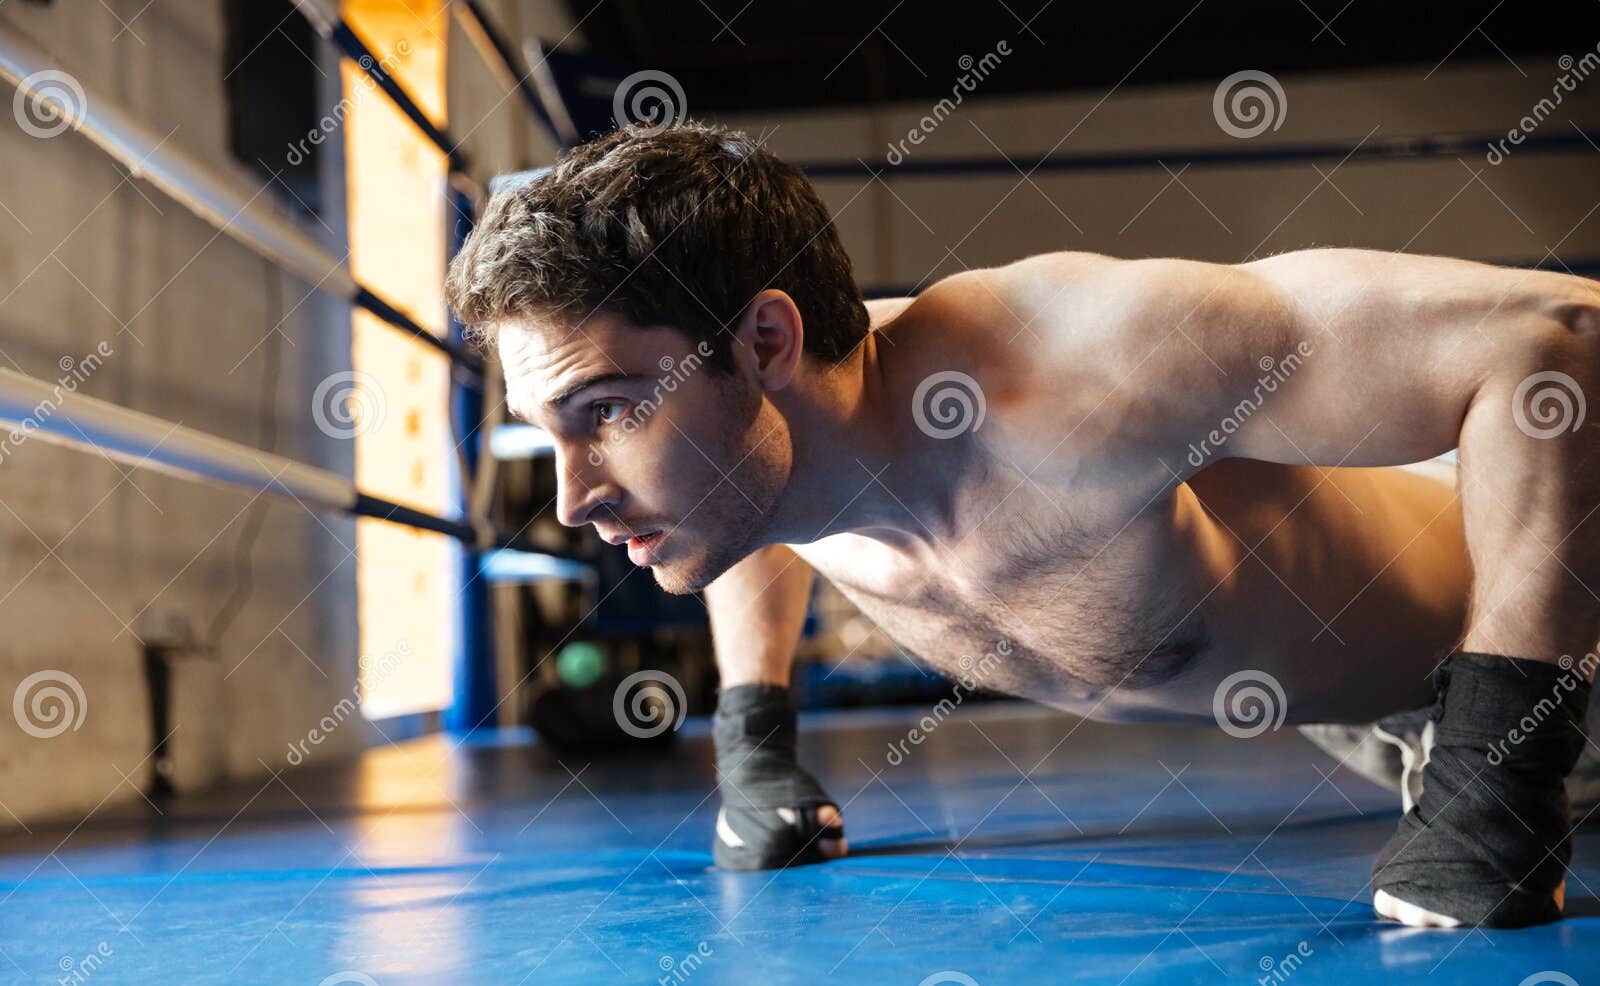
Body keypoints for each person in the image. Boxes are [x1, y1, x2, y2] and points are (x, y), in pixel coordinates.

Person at [446, 122, 1600, 929]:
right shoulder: (768, 469)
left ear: (765, 346)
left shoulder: (1067, 369)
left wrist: (1500, 759)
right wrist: (755, 746)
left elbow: (1557, 336)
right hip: (1380, 722)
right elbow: (750, 515)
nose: (570, 494)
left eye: (604, 413)